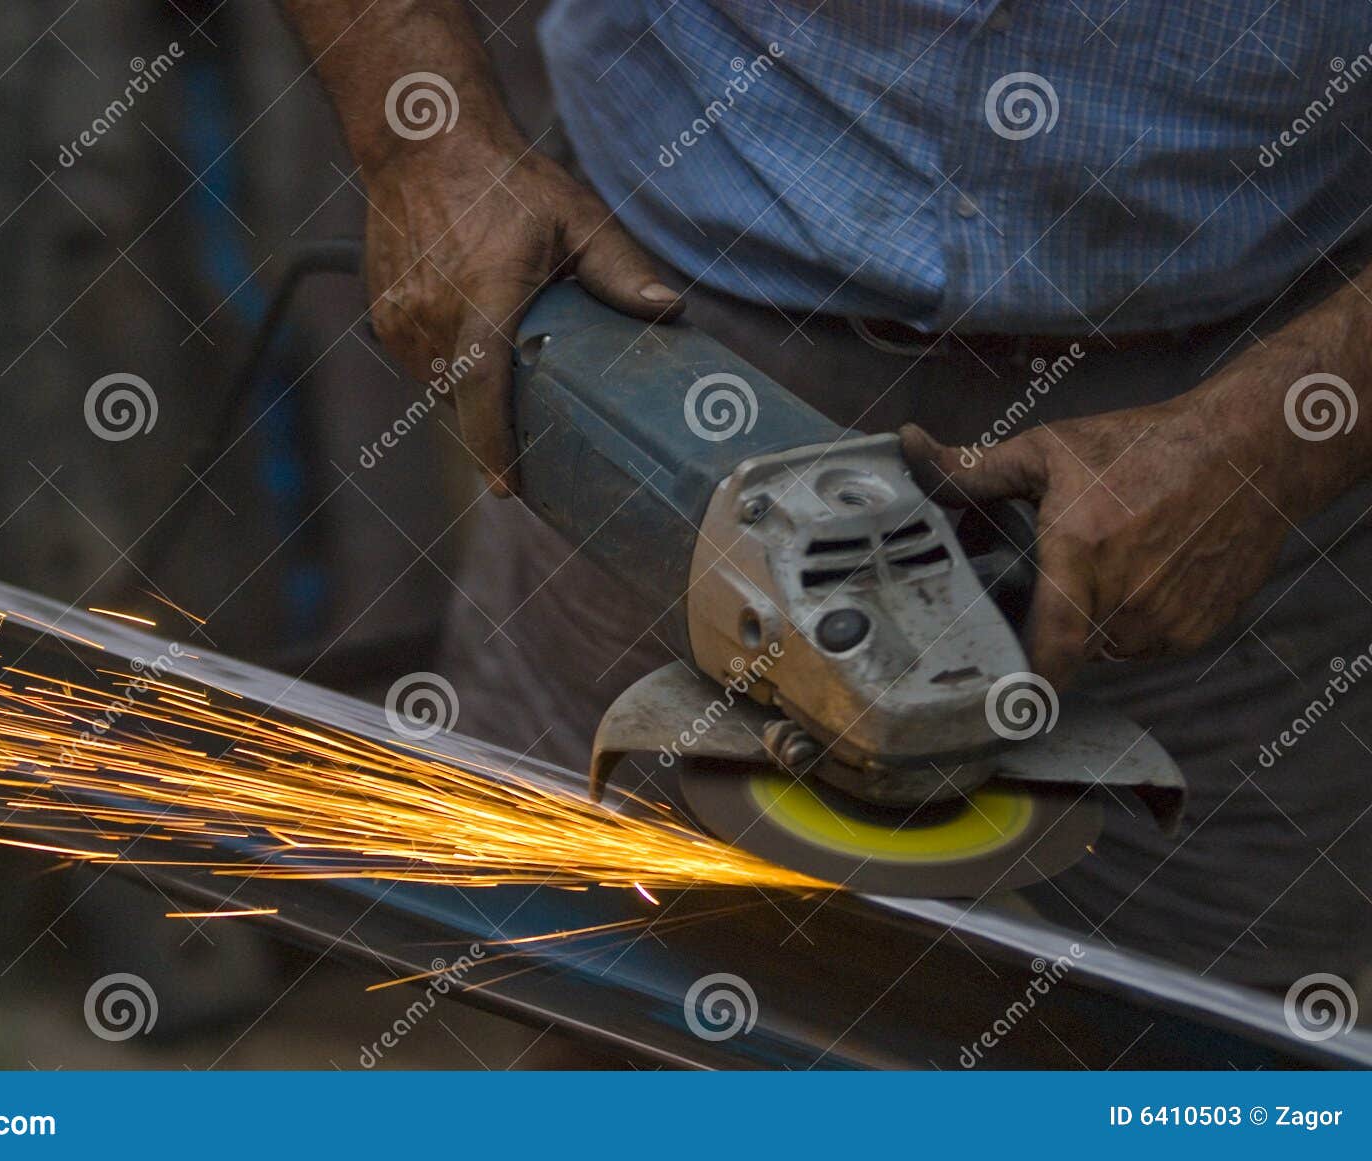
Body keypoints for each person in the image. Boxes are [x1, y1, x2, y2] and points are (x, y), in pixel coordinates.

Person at [284, 1, 1372, 988]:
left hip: (1242, 405)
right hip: (657, 327)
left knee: (1225, 1055)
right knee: (588, 963)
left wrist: (1284, 430)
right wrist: (424, 142)